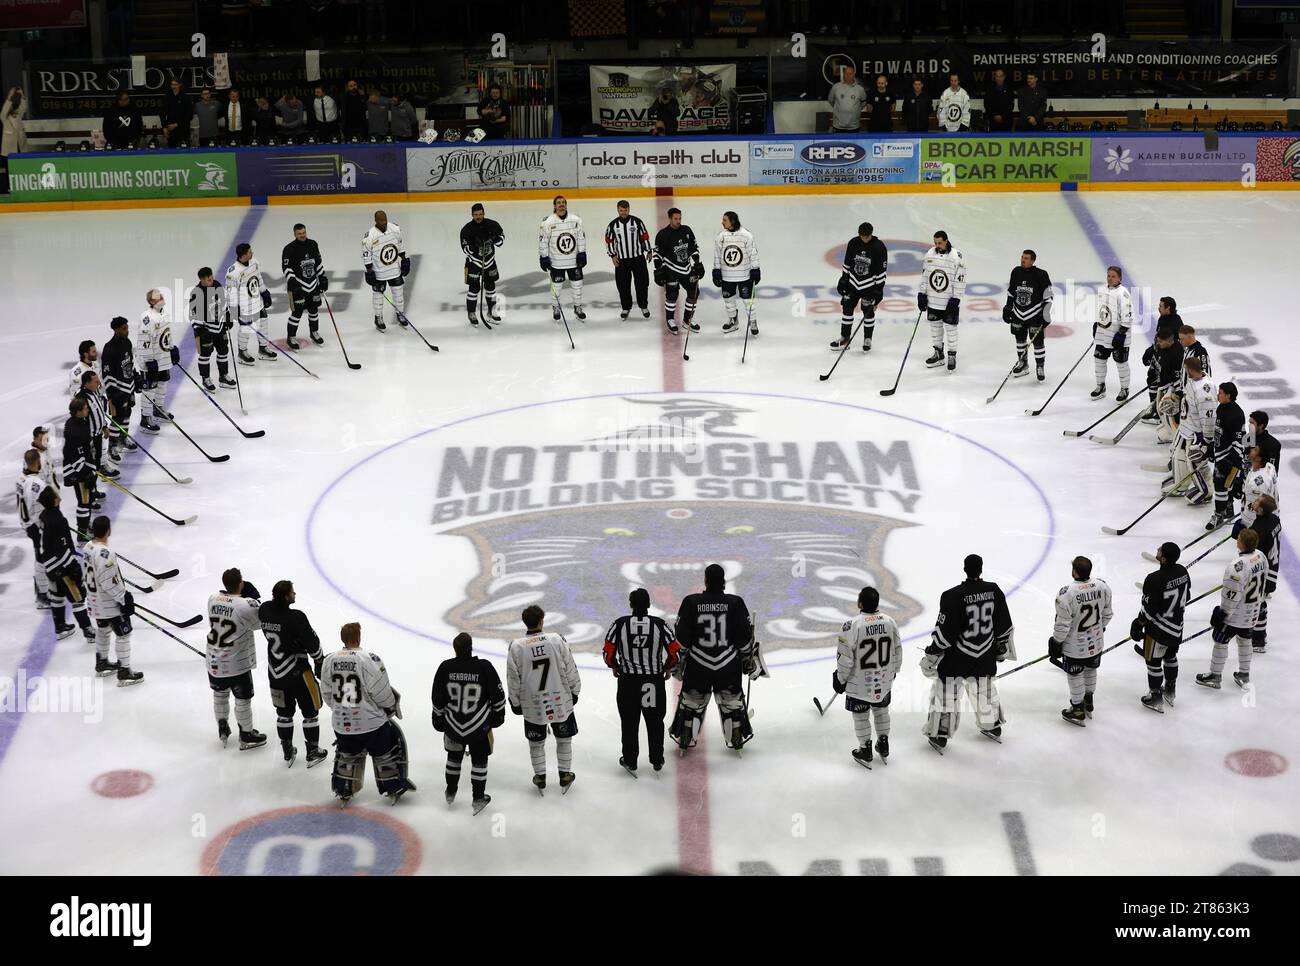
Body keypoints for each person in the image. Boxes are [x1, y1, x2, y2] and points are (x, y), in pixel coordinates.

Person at [920, 554, 1012, 751]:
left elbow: (945, 635)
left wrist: (931, 655)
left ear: (964, 569)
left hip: (957, 658)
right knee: (983, 689)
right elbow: (1004, 627)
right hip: (985, 654)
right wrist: (999, 649)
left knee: (946, 693)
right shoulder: (994, 590)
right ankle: (992, 725)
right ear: (981, 568)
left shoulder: (952, 595)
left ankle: (940, 734)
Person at [322, 621, 416, 805]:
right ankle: (392, 785)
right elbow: (381, 692)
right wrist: (389, 707)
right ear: (358, 637)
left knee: (348, 753)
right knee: (385, 751)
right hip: (371, 723)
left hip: (342, 724)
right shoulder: (368, 659)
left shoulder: (329, 660)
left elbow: (326, 692)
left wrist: (340, 709)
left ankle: (344, 787)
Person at [670, 563, 756, 753]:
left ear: (706, 580)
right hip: (728, 665)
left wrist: (679, 661)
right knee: (731, 701)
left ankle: (686, 733)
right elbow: (744, 639)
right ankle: (735, 732)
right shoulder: (735, 603)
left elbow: (682, 638)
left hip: (698, 664)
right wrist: (748, 658)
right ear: (724, 581)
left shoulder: (691, 602)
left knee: (692, 700)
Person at [603, 588, 680, 775]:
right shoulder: (660, 625)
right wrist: (666, 667)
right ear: (648, 605)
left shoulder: (619, 624)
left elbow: (608, 652)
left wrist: (615, 666)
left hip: (628, 681)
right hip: (653, 681)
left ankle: (630, 760)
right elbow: (675, 652)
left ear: (630, 605)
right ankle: (657, 759)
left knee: (629, 722)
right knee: (655, 721)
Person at [507, 605, 581, 794]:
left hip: (532, 703)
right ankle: (564, 775)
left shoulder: (516, 646)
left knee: (536, 742)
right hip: (560, 698)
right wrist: (575, 690)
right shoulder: (556, 640)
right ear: (542, 620)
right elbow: (570, 666)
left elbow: (512, 677)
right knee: (564, 740)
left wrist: (515, 702)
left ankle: (540, 776)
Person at [432, 632, 506, 813]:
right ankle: (478, 798)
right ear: (471, 647)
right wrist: (498, 715)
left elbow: (437, 698)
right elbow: (498, 696)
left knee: (453, 758)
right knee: (480, 761)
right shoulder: (485, 667)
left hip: (453, 725)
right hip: (479, 726)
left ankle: (450, 791)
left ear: (454, 649)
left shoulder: (445, 667)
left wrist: (438, 717)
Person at [258, 579, 327, 768]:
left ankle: (287, 751)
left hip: (275, 673)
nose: (295, 594)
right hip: (299, 672)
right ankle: (312, 751)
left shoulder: (264, 609)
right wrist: (319, 659)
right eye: (292, 592)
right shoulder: (296, 617)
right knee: (311, 712)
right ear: (287, 596)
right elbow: (312, 643)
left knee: (283, 713)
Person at [832, 585, 901, 768]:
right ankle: (883, 743)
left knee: (861, 716)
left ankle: (865, 749)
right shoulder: (890, 622)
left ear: (860, 603)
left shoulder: (851, 625)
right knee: (881, 710)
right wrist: (893, 674)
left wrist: (840, 679)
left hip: (859, 683)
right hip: (884, 679)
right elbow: (897, 651)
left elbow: (845, 659)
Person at [1197, 529, 1268, 691]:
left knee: (1220, 641)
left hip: (1235, 615)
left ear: (1241, 543)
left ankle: (1215, 676)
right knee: (1245, 641)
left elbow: (1232, 595)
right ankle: (1244, 674)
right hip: (1253, 612)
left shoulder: (1237, 567)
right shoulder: (1261, 556)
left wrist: (1222, 614)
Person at [206, 567, 268, 750]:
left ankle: (222, 727)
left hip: (214, 660)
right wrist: (255, 600)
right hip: (236, 662)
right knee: (242, 700)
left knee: (220, 694)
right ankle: (246, 734)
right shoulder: (244, 605)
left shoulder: (212, 598)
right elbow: (260, 621)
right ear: (241, 583)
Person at [1050, 556, 1114, 727]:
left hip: (1074, 647)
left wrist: (1056, 642)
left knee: (1075, 675)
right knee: (1091, 669)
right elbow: (1107, 614)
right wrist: (1100, 628)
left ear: (1074, 572)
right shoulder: (1103, 586)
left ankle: (1077, 710)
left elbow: (1063, 625)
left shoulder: (1067, 594)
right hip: (1096, 642)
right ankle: (1088, 700)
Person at [1132, 542, 1191, 712]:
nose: (1156, 549)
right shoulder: (1182, 571)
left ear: (1163, 558)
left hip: (1158, 629)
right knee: (1171, 657)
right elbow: (1187, 595)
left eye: (1159, 549)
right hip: (1177, 626)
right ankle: (1170, 690)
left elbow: (1150, 610)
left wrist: (1138, 623)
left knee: (1153, 662)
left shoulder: (1153, 579)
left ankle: (1156, 696)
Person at [84, 515, 142, 684]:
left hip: (94, 601)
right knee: (124, 634)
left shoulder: (88, 546)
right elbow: (108, 581)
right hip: (109, 604)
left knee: (103, 631)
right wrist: (124, 598)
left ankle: (102, 663)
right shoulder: (106, 553)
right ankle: (124, 671)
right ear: (109, 531)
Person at [38, 487, 95, 644]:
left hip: (48, 565)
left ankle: (60, 627)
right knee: (77, 598)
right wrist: (71, 566)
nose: (59, 495)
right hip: (61, 567)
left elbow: (50, 543)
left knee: (57, 595)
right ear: (54, 500)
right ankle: (88, 631)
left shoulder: (44, 516)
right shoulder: (58, 520)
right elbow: (60, 547)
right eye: (56, 495)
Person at [831, 222, 887, 353]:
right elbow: (847, 263)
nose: (864, 238)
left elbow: (881, 271)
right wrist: (844, 279)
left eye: (866, 236)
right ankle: (845, 338)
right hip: (853, 283)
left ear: (871, 234)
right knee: (847, 308)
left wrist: (878, 291)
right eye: (862, 236)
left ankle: (867, 339)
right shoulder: (853, 243)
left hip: (869, 286)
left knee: (868, 312)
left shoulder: (879, 247)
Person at [917, 229, 966, 372]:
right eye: (935, 242)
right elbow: (925, 275)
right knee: (935, 327)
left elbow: (960, 279)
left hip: (949, 300)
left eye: (939, 242)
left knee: (951, 329)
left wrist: (956, 299)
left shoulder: (956, 256)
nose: (937, 245)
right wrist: (922, 294)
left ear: (946, 240)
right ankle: (938, 354)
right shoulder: (930, 254)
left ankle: (952, 356)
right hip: (933, 299)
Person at [1170, 356, 1216, 507]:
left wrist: (1206, 440)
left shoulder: (1204, 392)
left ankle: (1205, 490)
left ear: (1190, 369)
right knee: (1182, 456)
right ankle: (1203, 485)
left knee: (1194, 463)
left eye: (1186, 370)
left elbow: (1209, 418)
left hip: (1196, 433)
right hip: (1187, 427)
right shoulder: (1193, 382)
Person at [1002, 248, 1052, 381]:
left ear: (1033, 261)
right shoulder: (1016, 271)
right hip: (1018, 313)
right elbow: (1011, 291)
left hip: (1035, 314)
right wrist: (1008, 307)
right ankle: (1023, 363)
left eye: (1026, 258)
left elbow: (1048, 296)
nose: (1023, 260)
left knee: (1038, 342)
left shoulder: (1041, 274)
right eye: (1022, 257)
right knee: (1020, 339)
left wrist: (1045, 314)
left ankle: (1040, 366)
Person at [652, 207, 704, 335]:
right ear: (669, 218)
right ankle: (670, 320)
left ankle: (687, 320)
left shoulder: (686, 230)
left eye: (680, 218)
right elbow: (657, 254)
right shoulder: (663, 234)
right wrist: (659, 270)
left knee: (694, 293)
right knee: (672, 296)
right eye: (675, 219)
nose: (678, 221)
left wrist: (697, 263)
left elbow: (693, 248)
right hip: (671, 270)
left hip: (686, 269)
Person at [225, 242, 276, 364]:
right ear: (243, 255)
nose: (252, 253)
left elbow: (258, 277)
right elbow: (230, 293)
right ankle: (242, 353)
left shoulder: (254, 262)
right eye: (249, 252)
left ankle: (263, 349)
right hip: (244, 307)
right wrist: (234, 310)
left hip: (257, 301)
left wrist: (264, 292)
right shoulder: (233, 272)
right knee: (246, 329)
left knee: (263, 323)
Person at [539, 195, 587, 322]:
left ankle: (577, 307)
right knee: (556, 287)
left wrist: (582, 253)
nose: (561, 205)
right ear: (554, 206)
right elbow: (543, 241)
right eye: (558, 203)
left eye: (563, 202)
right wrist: (544, 257)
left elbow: (581, 237)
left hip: (574, 261)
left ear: (566, 205)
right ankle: (556, 307)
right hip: (556, 262)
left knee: (577, 285)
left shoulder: (576, 220)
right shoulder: (548, 222)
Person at [136, 288, 178, 433]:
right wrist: (149, 361)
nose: (161, 297)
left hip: (163, 358)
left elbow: (166, 335)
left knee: (162, 385)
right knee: (150, 389)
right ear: (151, 301)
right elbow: (144, 341)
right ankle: (145, 418)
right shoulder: (147, 317)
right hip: (151, 361)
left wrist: (172, 348)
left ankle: (157, 410)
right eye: (158, 296)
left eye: (161, 295)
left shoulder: (164, 314)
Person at [713, 210, 760, 337]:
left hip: (744, 275)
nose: (722, 222)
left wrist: (755, 269)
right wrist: (716, 271)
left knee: (748, 301)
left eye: (725, 220)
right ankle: (733, 321)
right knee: (728, 299)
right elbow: (717, 255)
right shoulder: (721, 236)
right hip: (727, 275)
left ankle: (753, 321)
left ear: (732, 221)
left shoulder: (746, 235)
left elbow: (753, 253)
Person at [1207, 382, 1246, 531]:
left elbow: (1239, 440)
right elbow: (1218, 431)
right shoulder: (1221, 408)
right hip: (1220, 453)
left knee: (1220, 486)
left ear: (1228, 395)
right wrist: (1212, 447)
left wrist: (1230, 459)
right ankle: (1228, 509)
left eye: (1221, 393)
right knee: (1224, 485)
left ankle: (1219, 514)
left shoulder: (1236, 414)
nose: (1218, 395)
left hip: (1229, 456)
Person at [605, 200, 652, 321]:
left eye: (625, 210)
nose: (624, 212)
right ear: (618, 210)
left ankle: (643, 306)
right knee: (623, 285)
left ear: (629, 210)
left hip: (638, 259)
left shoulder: (637, 222)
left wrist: (648, 251)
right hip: (622, 261)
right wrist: (613, 255)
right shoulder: (613, 225)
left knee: (642, 284)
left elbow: (644, 236)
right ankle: (625, 307)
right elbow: (609, 240)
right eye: (621, 210)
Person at [281, 222, 326, 349]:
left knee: (314, 310)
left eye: (304, 232)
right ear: (295, 234)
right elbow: (286, 268)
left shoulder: (313, 244)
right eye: (299, 233)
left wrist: (322, 277)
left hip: (312, 285)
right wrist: (294, 283)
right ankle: (291, 337)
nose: (302, 235)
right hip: (297, 287)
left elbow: (318, 263)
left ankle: (314, 332)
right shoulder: (289, 249)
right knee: (297, 313)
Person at [16, 450, 52, 609]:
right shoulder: (36, 484)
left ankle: (42, 589)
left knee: (41, 556)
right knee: (41, 558)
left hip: (27, 523)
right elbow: (37, 509)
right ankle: (42, 595)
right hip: (36, 525)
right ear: (38, 462)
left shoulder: (20, 479)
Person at [1092, 265, 1133, 401]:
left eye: (1113, 276)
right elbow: (1101, 309)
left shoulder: (1123, 294)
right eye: (1108, 276)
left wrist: (1121, 333)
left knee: (1121, 363)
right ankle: (1100, 386)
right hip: (1103, 333)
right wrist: (1096, 324)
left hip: (1118, 335)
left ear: (1120, 278)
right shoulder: (1102, 290)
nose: (1110, 278)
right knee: (1099, 360)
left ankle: (1124, 389)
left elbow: (1127, 316)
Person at [362, 209, 408, 332]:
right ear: (375, 221)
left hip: (394, 269)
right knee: (378, 296)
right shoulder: (369, 236)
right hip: (379, 272)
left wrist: (404, 260)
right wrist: (370, 272)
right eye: (381, 220)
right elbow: (367, 256)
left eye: (385, 219)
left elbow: (400, 245)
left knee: (398, 294)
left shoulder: (395, 229)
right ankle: (378, 318)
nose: (384, 222)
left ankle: (401, 314)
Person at [190, 267, 235, 391]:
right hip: (206, 329)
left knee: (223, 351)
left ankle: (223, 376)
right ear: (202, 280)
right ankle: (206, 378)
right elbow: (194, 315)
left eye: (212, 278)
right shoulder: (196, 293)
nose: (212, 280)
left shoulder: (217, 286)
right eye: (209, 279)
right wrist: (200, 330)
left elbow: (224, 303)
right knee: (205, 355)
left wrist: (228, 317)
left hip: (220, 327)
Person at [460, 203, 504, 325]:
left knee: (490, 286)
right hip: (474, 263)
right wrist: (475, 246)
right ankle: (471, 313)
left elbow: (501, 239)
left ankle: (491, 311)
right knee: (474, 288)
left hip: (489, 262)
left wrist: (495, 239)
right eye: (476, 215)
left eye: (480, 214)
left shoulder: (492, 225)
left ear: (484, 213)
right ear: (472, 215)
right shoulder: (467, 229)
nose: (478, 217)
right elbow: (465, 249)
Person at [101, 317, 137, 462]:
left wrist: (136, 378)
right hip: (117, 390)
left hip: (129, 387)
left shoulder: (127, 343)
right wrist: (112, 392)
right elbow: (106, 372)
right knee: (117, 418)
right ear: (116, 330)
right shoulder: (109, 348)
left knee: (127, 413)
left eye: (127, 328)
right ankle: (113, 446)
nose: (127, 331)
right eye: (124, 328)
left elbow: (130, 364)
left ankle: (123, 438)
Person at [1248, 495, 1280, 653]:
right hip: (1272, 567)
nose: (1253, 501)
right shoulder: (1274, 519)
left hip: (1262, 571)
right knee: (1258, 601)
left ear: (1260, 509)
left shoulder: (1259, 529)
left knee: (1258, 603)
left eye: (1256, 501)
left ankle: (1259, 639)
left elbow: (1251, 550)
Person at [62, 397, 97, 536]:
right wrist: (85, 473)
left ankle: (85, 523)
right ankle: (82, 533)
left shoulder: (77, 422)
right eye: (85, 408)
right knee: (84, 501)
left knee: (88, 499)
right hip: (79, 472)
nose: (88, 410)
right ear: (78, 412)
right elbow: (71, 454)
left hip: (86, 467)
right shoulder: (74, 430)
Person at [75, 370, 116, 486]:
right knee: (89, 466)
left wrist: (104, 427)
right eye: (95, 381)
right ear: (87, 383)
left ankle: (94, 488)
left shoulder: (92, 392)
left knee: (96, 463)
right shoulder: (81, 398)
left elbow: (99, 412)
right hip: (90, 439)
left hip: (97, 435)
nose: (98, 383)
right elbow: (78, 421)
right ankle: (91, 492)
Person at [1142, 330, 1183, 435]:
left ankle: (1173, 432)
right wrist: (1150, 352)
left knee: (1168, 409)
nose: (1158, 344)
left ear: (1169, 341)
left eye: (1160, 342)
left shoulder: (1177, 354)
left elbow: (1178, 377)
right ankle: (1158, 413)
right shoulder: (1162, 346)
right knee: (1160, 405)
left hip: (1169, 386)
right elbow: (1156, 348)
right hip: (1161, 381)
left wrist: (1175, 392)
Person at [1237, 445, 1278, 531]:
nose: (1251, 450)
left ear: (1259, 458)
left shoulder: (1257, 484)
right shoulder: (1269, 466)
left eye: (1255, 450)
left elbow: (1255, 509)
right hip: (1270, 516)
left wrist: (1245, 523)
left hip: (1254, 524)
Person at [827, 64, 867, 133]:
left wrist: (855, 110)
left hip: (854, 126)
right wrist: (840, 108)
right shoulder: (836, 87)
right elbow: (831, 101)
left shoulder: (860, 89)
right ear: (843, 74)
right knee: (838, 144)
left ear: (854, 75)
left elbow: (863, 103)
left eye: (850, 74)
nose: (848, 75)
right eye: (846, 73)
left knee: (853, 144)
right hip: (838, 126)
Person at [1178, 324, 1211, 393]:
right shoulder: (1187, 350)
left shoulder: (1200, 351)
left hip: (1195, 395)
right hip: (1186, 393)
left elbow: (1206, 374)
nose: (1180, 342)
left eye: (1182, 339)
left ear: (1189, 337)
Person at [161, 79, 192, 149]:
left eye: (175, 84)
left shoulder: (186, 98)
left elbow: (189, 116)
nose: (173, 86)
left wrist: (176, 124)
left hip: (183, 130)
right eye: (172, 84)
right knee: (172, 154)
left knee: (185, 153)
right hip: (171, 131)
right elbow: (162, 114)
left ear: (180, 85)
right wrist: (164, 128)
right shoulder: (167, 97)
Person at [2, 86, 30, 156]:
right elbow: (5, 109)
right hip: (9, 145)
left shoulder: (18, 114)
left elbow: (23, 107)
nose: (11, 106)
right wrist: (10, 96)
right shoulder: (4, 117)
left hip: (20, 143)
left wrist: (22, 94)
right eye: (10, 106)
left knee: (21, 161)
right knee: (10, 164)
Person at [984, 68, 1014, 132]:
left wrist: (1002, 117)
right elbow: (986, 104)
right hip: (993, 122)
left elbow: (1011, 105)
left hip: (1006, 122)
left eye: (1000, 76)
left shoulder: (1009, 89)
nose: (998, 78)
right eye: (997, 76)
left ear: (1004, 77)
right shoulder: (989, 89)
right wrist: (994, 116)